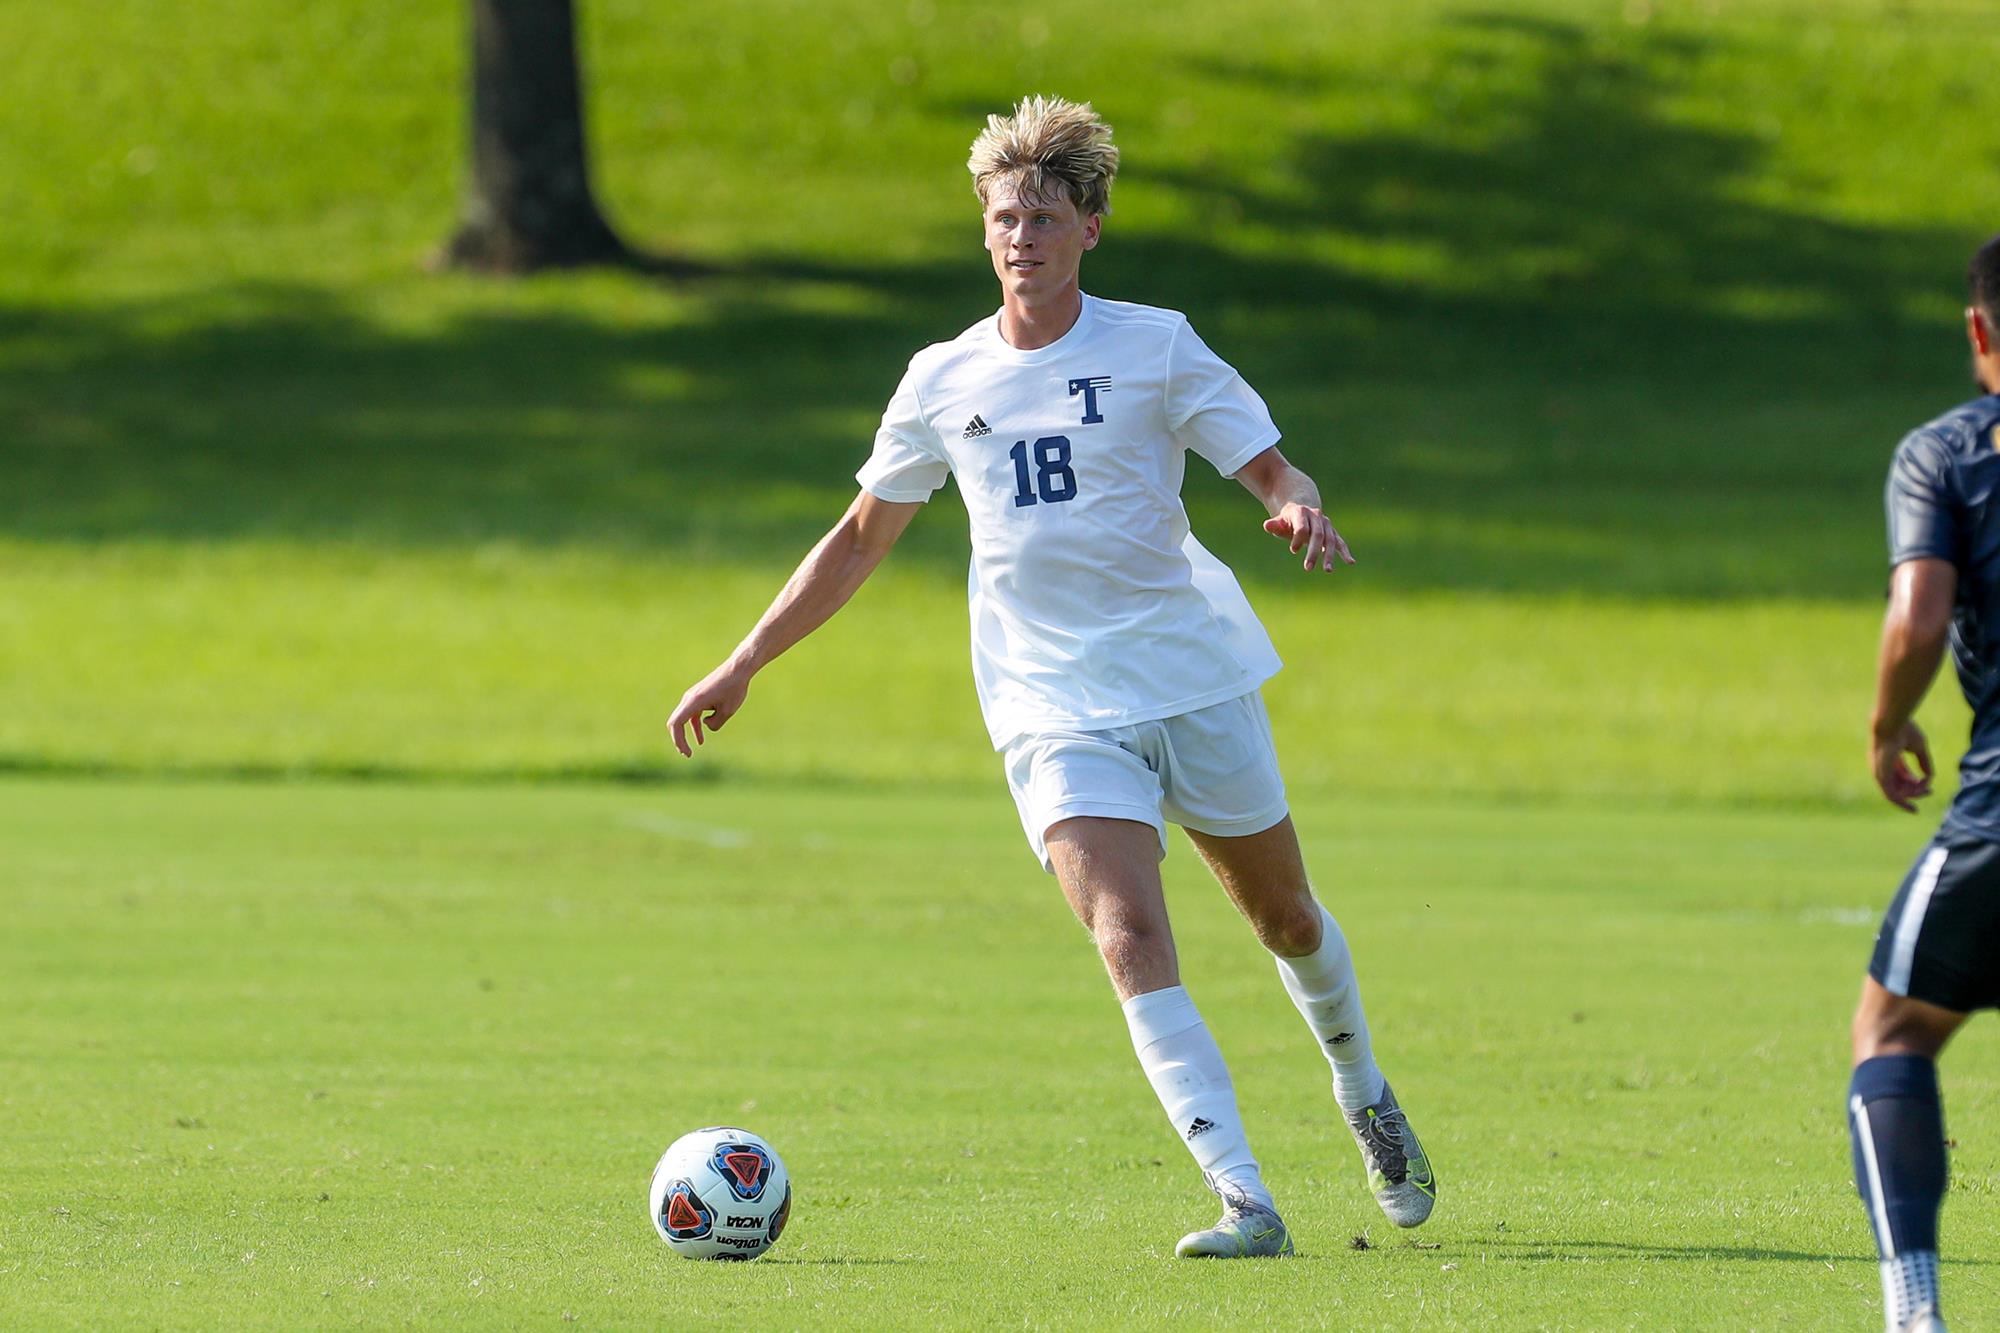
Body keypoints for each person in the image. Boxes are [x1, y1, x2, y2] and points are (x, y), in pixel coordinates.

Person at [668, 95, 1434, 1258]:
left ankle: (1362, 1087)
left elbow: (1271, 470)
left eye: (1041, 214)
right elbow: (861, 535)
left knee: (1282, 917)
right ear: (983, 234)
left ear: (1089, 229)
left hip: (1186, 673)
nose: (1018, 234)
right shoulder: (939, 377)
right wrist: (744, 658)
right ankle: (1243, 1195)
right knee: (1127, 931)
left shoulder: (1154, 345)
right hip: (1048, 699)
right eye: (1000, 216)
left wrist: (1297, 513)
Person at [1850, 232, 2000, 1333]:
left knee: (1893, 1030)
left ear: (1977, 331)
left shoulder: (1946, 451)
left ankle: (1913, 1310)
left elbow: (1918, 615)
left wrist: (1888, 719)